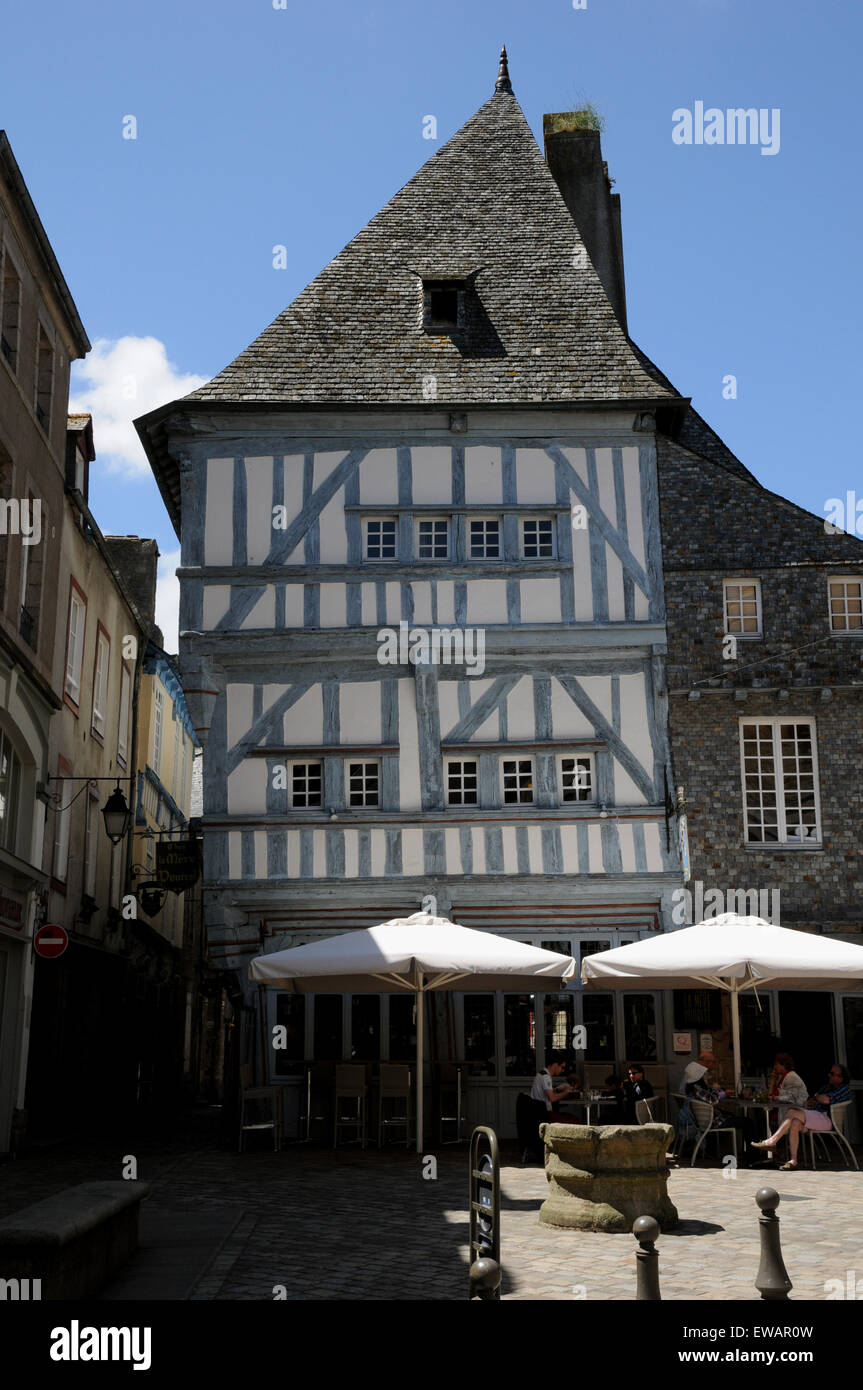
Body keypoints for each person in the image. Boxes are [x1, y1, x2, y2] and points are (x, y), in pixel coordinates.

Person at [683, 1052, 755, 1164]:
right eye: (702, 1073)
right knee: (748, 1122)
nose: (704, 1074)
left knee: (737, 1118)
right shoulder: (697, 1088)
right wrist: (719, 1091)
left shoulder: (694, 1087)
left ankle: (748, 1153)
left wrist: (714, 1089)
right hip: (713, 1122)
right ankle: (752, 1156)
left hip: (710, 1120)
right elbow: (713, 1100)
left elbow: (710, 1096)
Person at [751, 1052, 810, 1169]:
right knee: (761, 1119)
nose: (775, 1067)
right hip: (782, 1111)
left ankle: (774, 1151)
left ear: (784, 1064)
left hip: (795, 1113)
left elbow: (792, 1098)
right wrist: (773, 1081)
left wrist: (774, 1098)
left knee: (762, 1120)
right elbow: (771, 1094)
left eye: (777, 1064)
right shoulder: (783, 1077)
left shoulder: (791, 1076)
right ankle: (773, 1151)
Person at [531, 1053, 580, 1123]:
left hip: (539, 1113)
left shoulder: (540, 1074)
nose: (563, 1070)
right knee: (576, 1120)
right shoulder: (546, 1077)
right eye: (562, 1067)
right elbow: (552, 1098)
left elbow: (546, 1094)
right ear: (555, 1065)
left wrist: (558, 1090)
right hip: (546, 1115)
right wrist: (566, 1093)